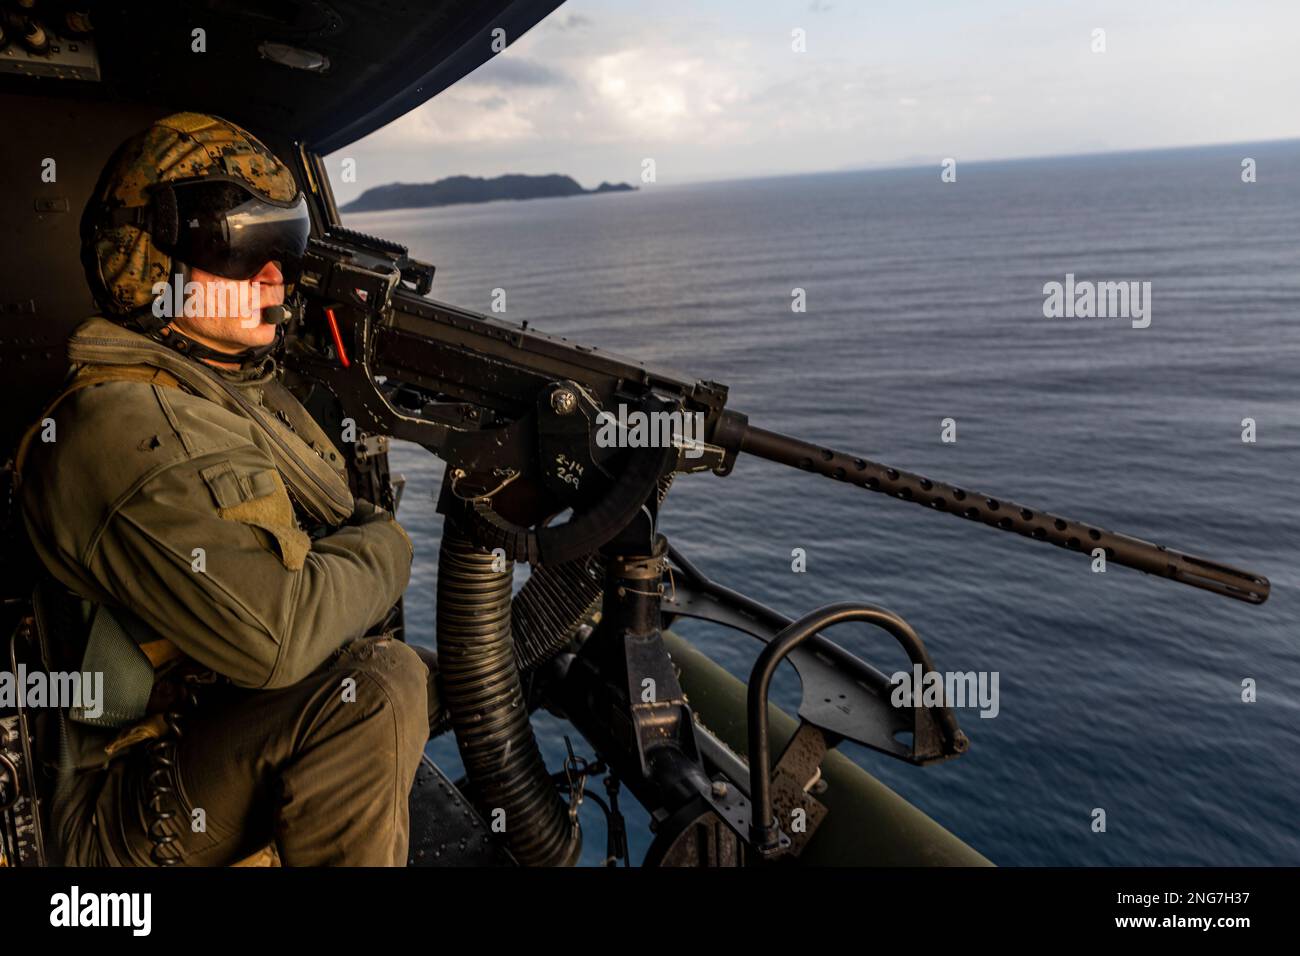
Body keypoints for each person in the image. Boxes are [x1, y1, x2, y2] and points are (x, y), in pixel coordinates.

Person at [16, 112, 431, 866]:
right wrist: (387, 541)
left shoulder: (228, 388)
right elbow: (280, 639)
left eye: (285, 247)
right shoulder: (114, 428)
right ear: (149, 258)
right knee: (378, 690)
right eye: (240, 250)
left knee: (401, 681)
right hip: (116, 804)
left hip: (207, 721)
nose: (274, 276)